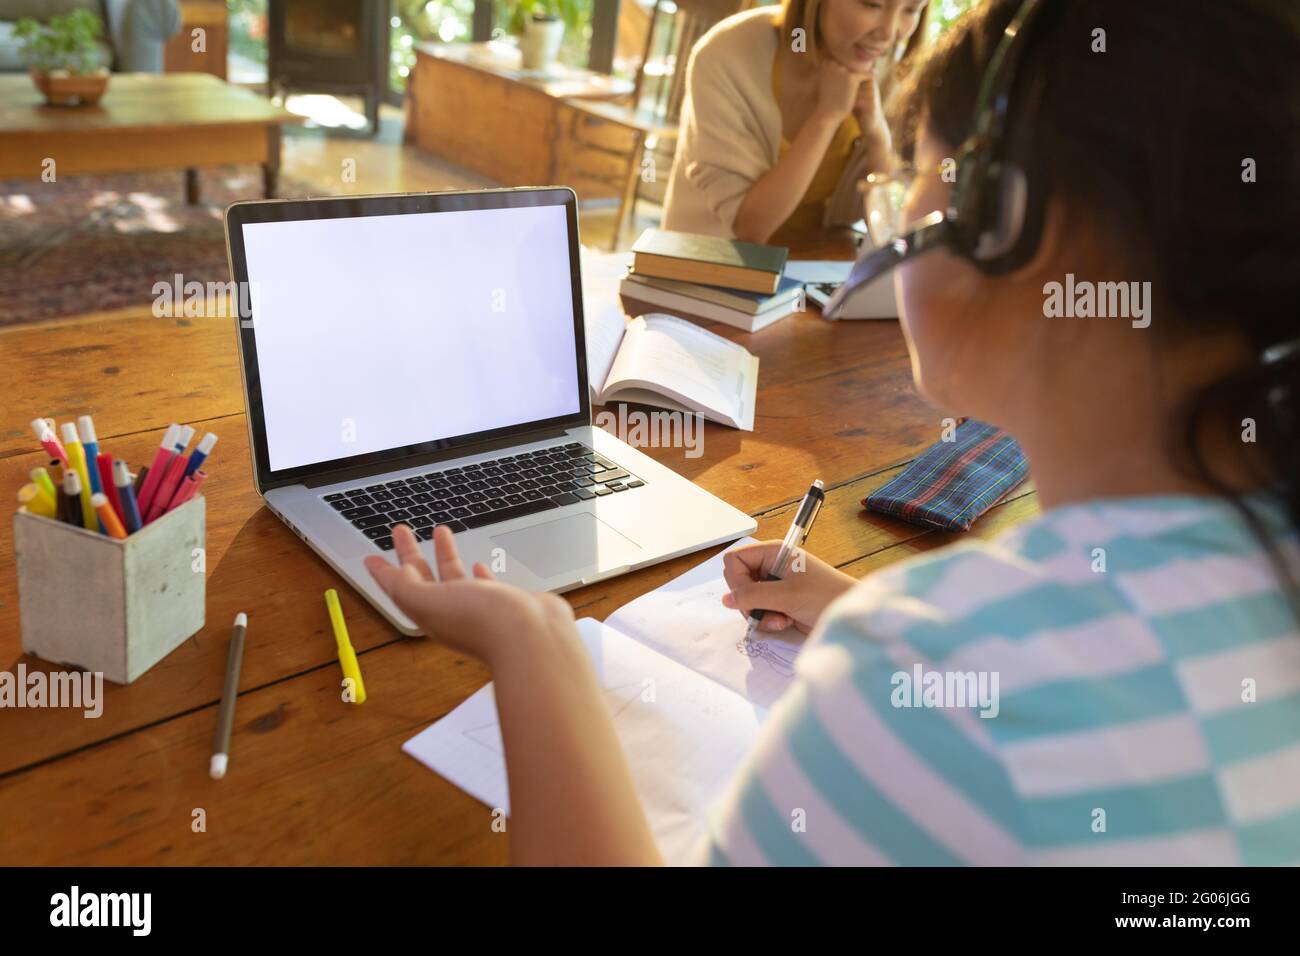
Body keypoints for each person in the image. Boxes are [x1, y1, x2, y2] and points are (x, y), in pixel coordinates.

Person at [367, 0, 1300, 865]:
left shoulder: (925, 682)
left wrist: (537, 647)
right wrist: (856, 611)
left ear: (1013, 224)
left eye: (922, 183)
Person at [661, 0, 928, 244]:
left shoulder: (894, 74)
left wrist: (877, 135)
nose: (890, 33)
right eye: (872, 4)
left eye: (911, 10)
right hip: (704, 274)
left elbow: (892, 233)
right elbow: (750, 228)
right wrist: (826, 117)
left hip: (811, 273)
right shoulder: (728, 53)